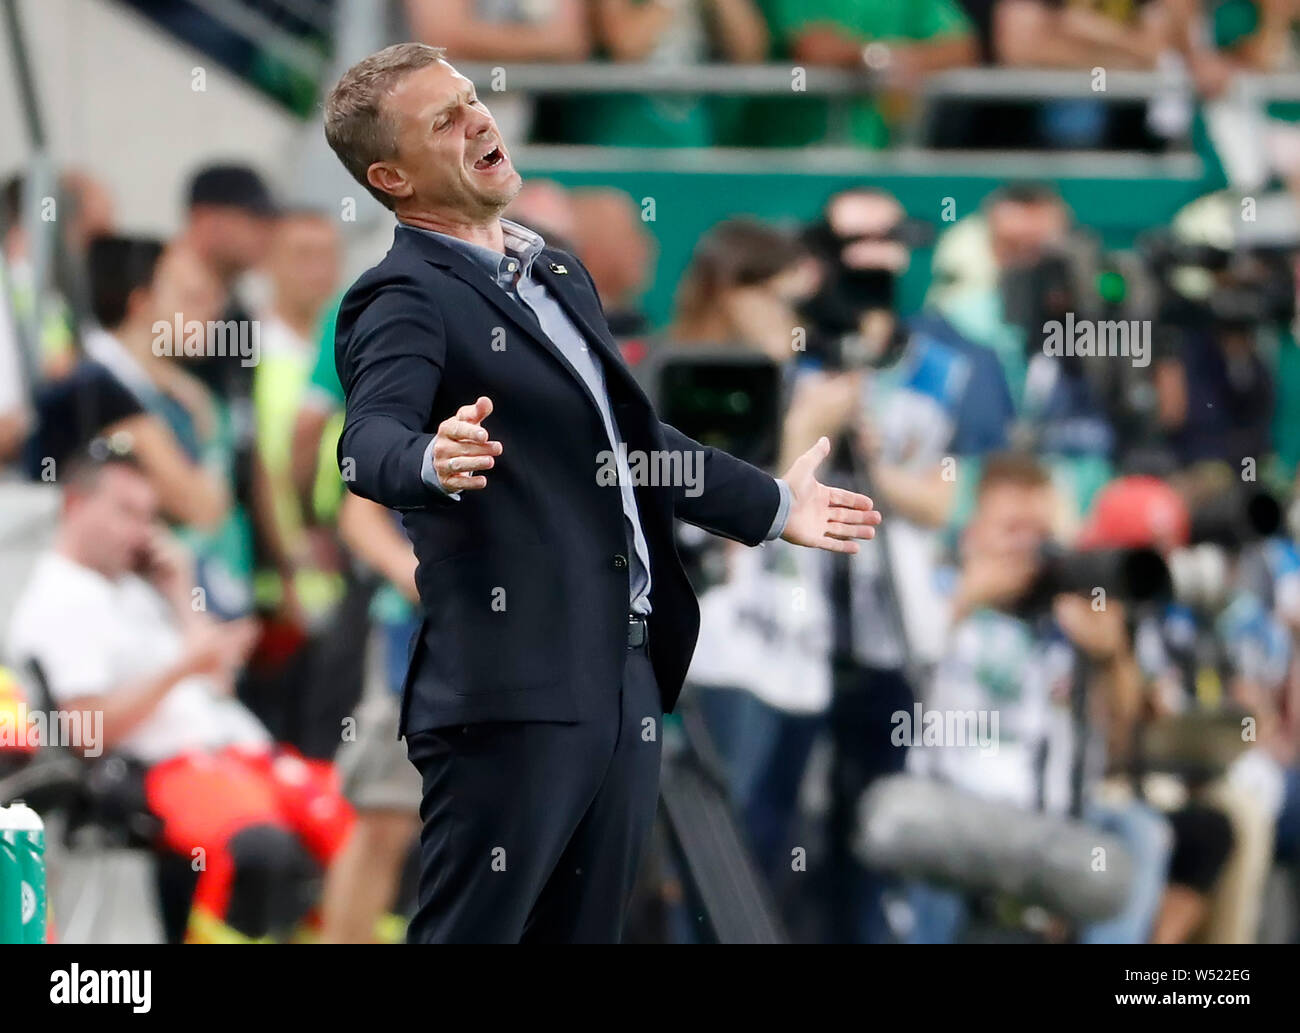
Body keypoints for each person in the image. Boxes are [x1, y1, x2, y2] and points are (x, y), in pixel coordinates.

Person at [322, 41, 882, 943]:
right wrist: (429, 457)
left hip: (619, 674)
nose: (478, 120)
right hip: (513, 686)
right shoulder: (402, 294)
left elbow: (630, 444)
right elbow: (368, 441)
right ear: (393, 177)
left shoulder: (555, 271)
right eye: (443, 120)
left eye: (471, 99)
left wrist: (772, 505)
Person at [4, 449, 353, 942]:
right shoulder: (60, 600)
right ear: (75, 505)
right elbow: (86, 731)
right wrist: (182, 667)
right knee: (259, 852)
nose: (142, 533)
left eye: (150, 517)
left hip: (245, 755)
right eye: (127, 512)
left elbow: (218, 689)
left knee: (363, 830)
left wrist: (180, 593)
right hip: (167, 770)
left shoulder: (135, 589)